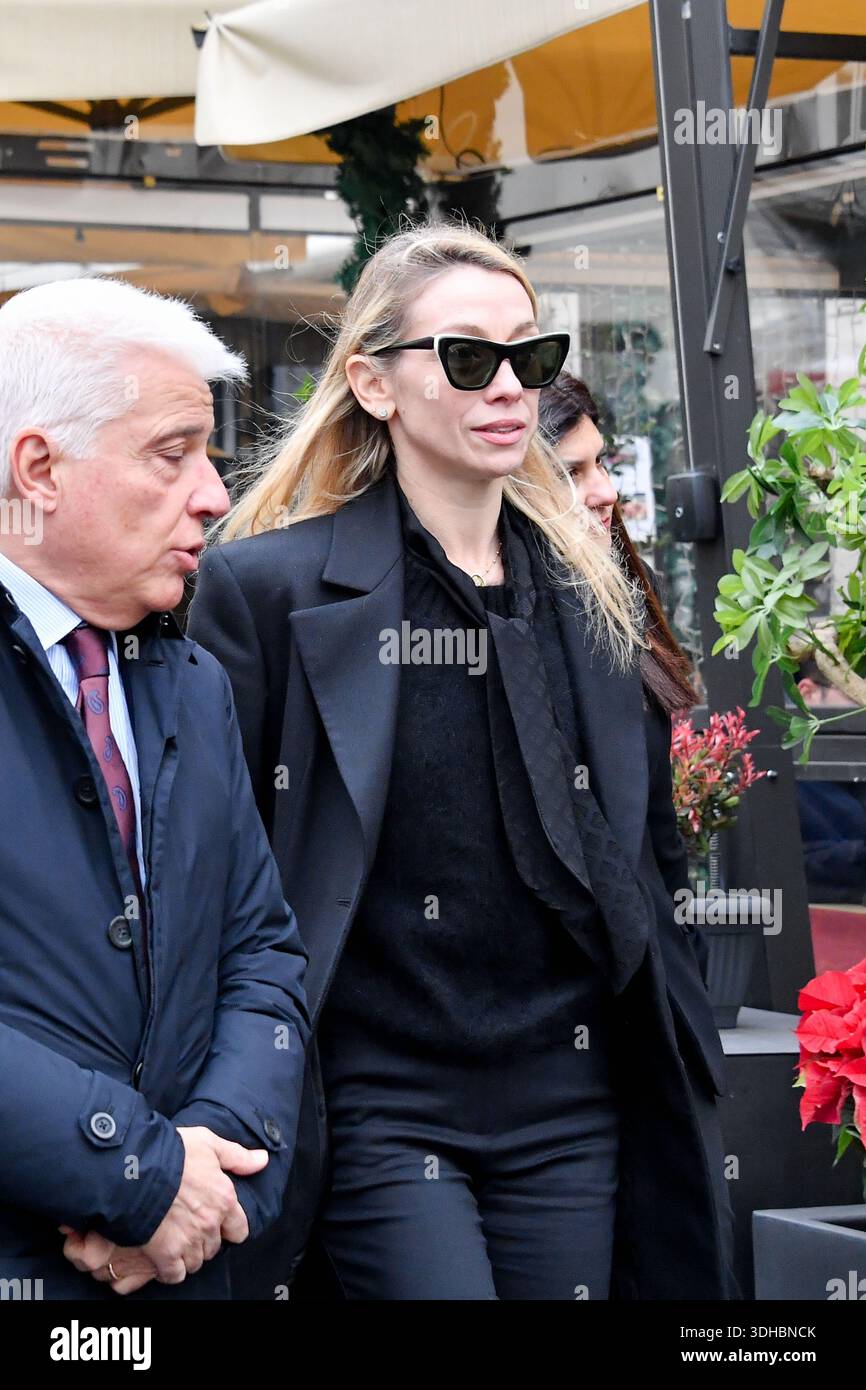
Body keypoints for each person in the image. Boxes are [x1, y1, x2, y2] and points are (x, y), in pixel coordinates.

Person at [188, 219, 737, 1300]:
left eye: (528, 357)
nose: (506, 388)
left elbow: (647, 857)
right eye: (465, 357)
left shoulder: (590, 601)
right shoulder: (266, 592)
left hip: (570, 1089)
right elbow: (221, 869)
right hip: (379, 1092)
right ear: (374, 384)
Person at [0, 277, 311, 1300]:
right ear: (37, 468)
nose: (216, 493)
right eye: (172, 453)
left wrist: (207, 1166)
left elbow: (259, 948)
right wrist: (135, 1173)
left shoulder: (192, 682)